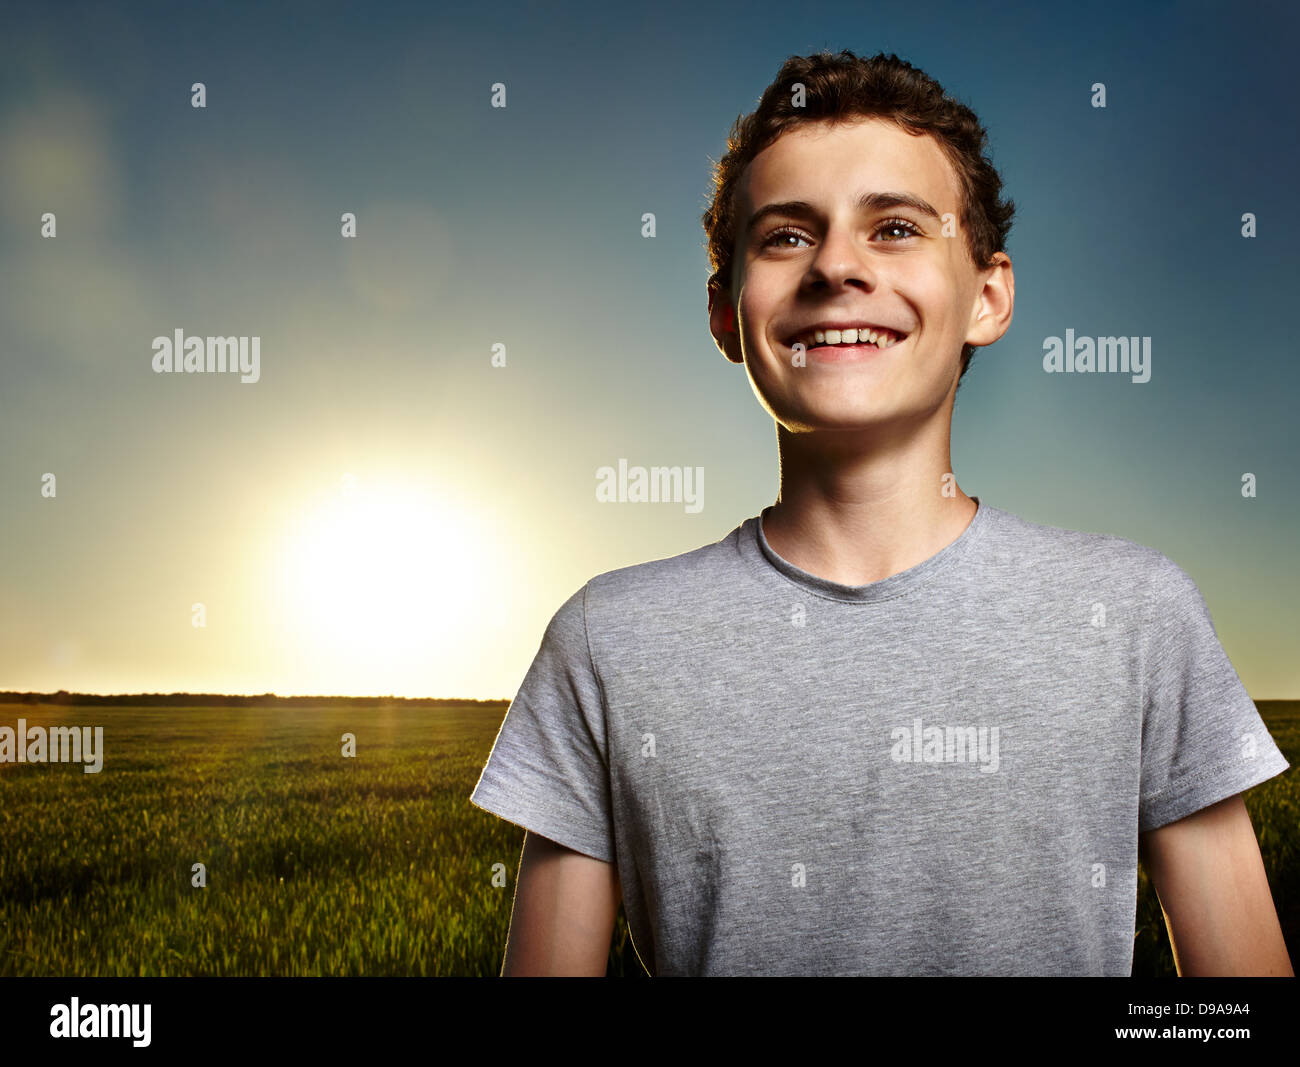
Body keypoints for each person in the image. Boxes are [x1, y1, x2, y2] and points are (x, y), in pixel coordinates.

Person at [469, 49, 1292, 977]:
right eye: (785, 236)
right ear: (726, 316)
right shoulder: (606, 640)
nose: (836, 265)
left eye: (895, 226)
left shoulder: (1138, 614)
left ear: (987, 296)